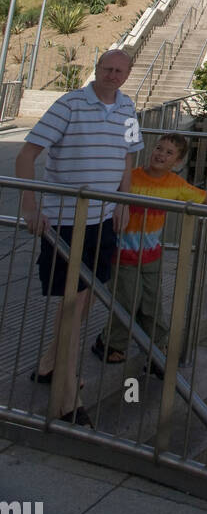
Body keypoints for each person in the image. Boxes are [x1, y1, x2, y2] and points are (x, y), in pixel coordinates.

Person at [15, 48, 144, 426]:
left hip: (103, 218)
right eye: (107, 68)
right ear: (96, 68)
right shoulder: (69, 105)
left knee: (84, 300)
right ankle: (66, 397)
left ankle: (50, 365)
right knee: (73, 302)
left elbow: (127, 157)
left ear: (128, 73)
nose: (113, 75)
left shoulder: (127, 108)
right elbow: (27, 156)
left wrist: (123, 201)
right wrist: (30, 206)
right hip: (66, 220)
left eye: (120, 70)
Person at [92, 133, 207, 374]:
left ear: (178, 162)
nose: (161, 154)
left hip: (151, 255)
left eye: (169, 152)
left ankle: (157, 346)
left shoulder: (175, 184)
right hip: (122, 254)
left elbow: (202, 197)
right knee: (128, 299)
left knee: (152, 302)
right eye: (158, 148)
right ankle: (111, 341)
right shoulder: (130, 178)